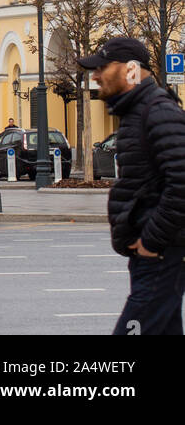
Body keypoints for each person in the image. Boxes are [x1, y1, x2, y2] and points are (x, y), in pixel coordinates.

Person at [82, 35, 185, 335]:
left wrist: (152, 241)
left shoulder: (158, 111)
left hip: (160, 256)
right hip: (153, 258)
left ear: (130, 69)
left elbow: (181, 181)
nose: (96, 76)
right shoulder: (138, 113)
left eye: (102, 67)